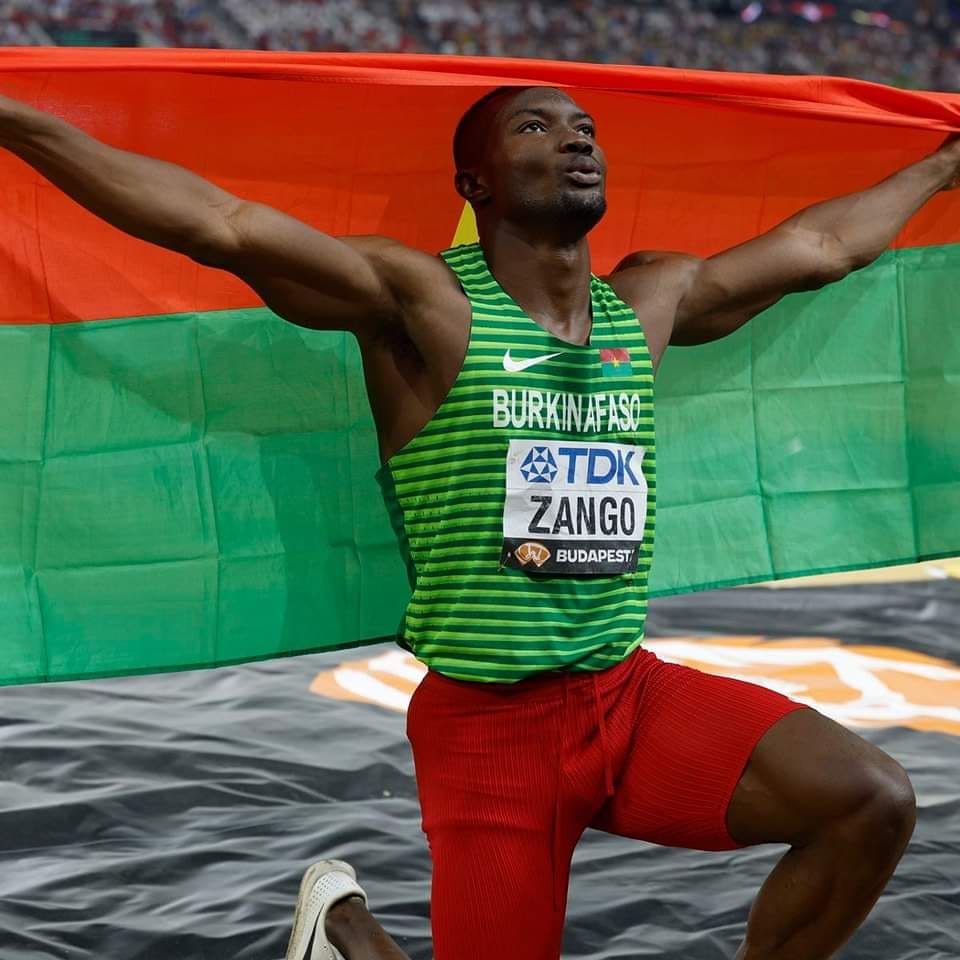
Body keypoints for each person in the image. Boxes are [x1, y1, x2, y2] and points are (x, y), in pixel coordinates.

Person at [2, 82, 953, 960]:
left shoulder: (648, 300)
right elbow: (223, 226)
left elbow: (829, 248)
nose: (575, 137)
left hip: (627, 696)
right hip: (494, 733)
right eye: (535, 127)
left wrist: (947, 160)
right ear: (476, 182)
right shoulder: (424, 304)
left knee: (868, 802)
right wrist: (19, 122)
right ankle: (345, 930)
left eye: (584, 126)